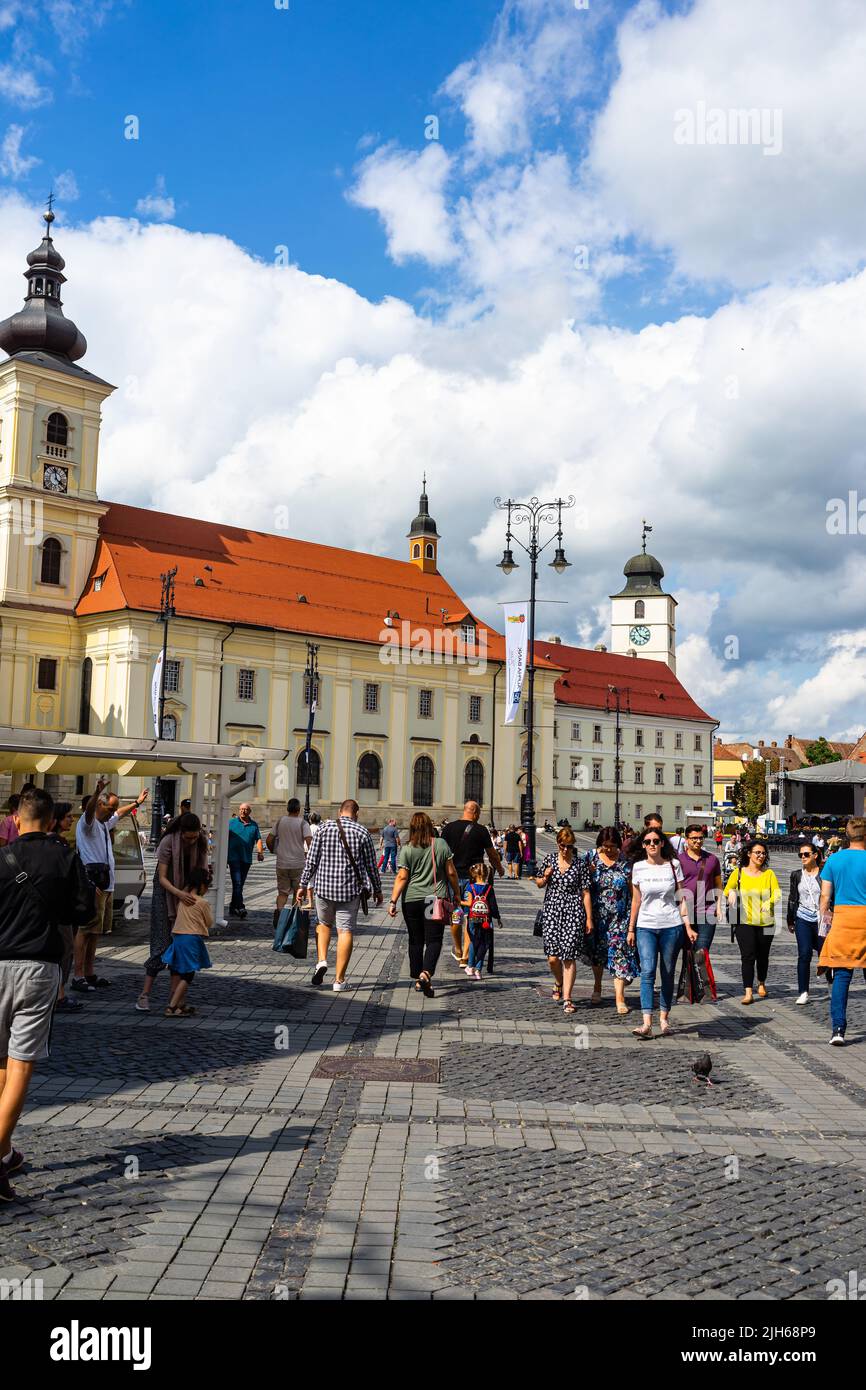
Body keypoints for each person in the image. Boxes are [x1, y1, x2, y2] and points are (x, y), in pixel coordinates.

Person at [0, 787, 94, 1201]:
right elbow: (84, 912)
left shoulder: (1, 857)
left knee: (1, 1062)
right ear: (51, 820)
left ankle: (4, 1152)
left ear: (18, 820)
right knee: (21, 1066)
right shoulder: (65, 857)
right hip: (38, 967)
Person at [73, 778, 148, 994]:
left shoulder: (104, 823)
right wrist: (97, 791)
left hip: (106, 884)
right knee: (84, 930)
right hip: (92, 884)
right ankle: (78, 976)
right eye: (110, 806)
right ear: (99, 805)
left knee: (95, 932)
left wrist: (136, 803)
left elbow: (119, 814)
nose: (113, 811)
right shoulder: (87, 824)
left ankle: (89, 973)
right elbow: (89, 811)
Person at [298, 799, 382, 992]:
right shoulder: (363, 833)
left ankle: (321, 961)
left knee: (324, 925)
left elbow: (311, 860)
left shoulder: (324, 829)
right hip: (349, 891)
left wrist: (303, 884)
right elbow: (371, 866)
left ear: (340, 811)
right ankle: (339, 980)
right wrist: (377, 889)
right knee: (345, 931)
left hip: (324, 889)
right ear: (356, 813)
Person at [137, 812, 209, 1011]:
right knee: (161, 944)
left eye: (195, 837)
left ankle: (174, 999)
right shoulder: (169, 841)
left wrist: (192, 896)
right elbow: (162, 878)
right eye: (189, 837)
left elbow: (202, 873)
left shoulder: (201, 841)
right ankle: (144, 995)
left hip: (186, 892)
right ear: (181, 832)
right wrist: (180, 894)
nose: (192, 840)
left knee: (179, 945)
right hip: (165, 893)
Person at [387, 812, 460, 996]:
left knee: (415, 940)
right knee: (434, 939)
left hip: (411, 900)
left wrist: (392, 901)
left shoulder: (407, 848)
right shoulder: (440, 844)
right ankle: (426, 974)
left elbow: (402, 877)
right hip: (433, 899)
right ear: (429, 826)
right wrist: (457, 892)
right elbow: (451, 872)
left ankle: (418, 978)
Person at [628, 827, 690, 1038]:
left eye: (655, 841)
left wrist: (688, 926)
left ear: (663, 843)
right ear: (643, 845)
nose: (652, 845)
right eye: (647, 842)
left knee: (667, 972)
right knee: (647, 972)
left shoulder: (674, 865)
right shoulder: (638, 867)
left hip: (671, 925)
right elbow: (636, 900)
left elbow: (682, 898)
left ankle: (664, 1017)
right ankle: (646, 1023)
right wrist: (631, 928)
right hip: (645, 925)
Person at [534, 825, 594, 1016]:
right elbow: (538, 882)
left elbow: (586, 892)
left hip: (573, 911)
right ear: (558, 843)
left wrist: (589, 918)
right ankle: (558, 981)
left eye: (569, 846)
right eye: (562, 845)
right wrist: (545, 876)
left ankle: (567, 998)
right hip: (552, 910)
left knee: (568, 956)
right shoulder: (550, 859)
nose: (565, 850)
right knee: (553, 958)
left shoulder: (579, 864)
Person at [819, 817, 866, 1045]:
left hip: (844, 920)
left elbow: (825, 897)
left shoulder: (834, 860)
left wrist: (824, 919)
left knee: (841, 976)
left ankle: (838, 1029)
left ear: (847, 835)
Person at [439, 801, 504, 964]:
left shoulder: (448, 829)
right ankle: (466, 955)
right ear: (475, 812)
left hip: (452, 876)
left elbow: (440, 853)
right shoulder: (481, 830)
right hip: (473, 881)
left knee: (455, 914)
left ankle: (458, 948)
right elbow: (492, 854)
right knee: (470, 916)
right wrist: (500, 868)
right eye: (479, 814)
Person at [583, 827, 637, 1014]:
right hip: (597, 918)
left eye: (613, 846)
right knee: (597, 955)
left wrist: (633, 921)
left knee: (620, 955)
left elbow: (633, 892)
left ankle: (619, 999)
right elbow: (581, 885)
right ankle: (597, 987)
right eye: (605, 846)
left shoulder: (625, 862)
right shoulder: (590, 858)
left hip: (620, 918)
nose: (609, 850)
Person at [723, 840, 781, 1005]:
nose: (761, 856)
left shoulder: (768, 874)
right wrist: (732, 892)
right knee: (747, 956)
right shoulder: (738, 873)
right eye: (757, 852)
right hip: (744, 922)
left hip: (766, 922)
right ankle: (748, 991)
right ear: (749, 853)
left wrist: (768, 903)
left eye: (763, 853)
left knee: (762, 956)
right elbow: (727, 890)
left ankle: (761, 982)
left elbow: (776, 894)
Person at [161, 866, 213, 1017]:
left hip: (177, 938)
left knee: (178, 970)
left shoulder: (182, 900)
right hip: (192, 939)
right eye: (207, 886)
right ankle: (171, 1007)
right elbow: (209, 922)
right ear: (202, 885)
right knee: (188, 974)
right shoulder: (202, 903)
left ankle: (179, 1005)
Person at [678, 824, 722, 991]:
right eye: (694, 838)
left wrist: (718, 905)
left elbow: (718, 884)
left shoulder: (712, 859)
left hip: (707, 911)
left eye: (700, 838)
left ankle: (700, 988)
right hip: (685, 911)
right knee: (687, 950)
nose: (697, 841)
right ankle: (688, 988)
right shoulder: (679, 860)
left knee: (702, 950)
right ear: (687, 839)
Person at [48, 802, 81, 1015]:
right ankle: (58, 994)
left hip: (56, 908)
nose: (71, 819)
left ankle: (57, 992)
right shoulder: (57, 845)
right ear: (57, 820)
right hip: (59, 910)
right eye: (68, 817)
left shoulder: (58, 843)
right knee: (64, 950)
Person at [786, 841, 825, 1005]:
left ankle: (830, 983)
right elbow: (792, 898)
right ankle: (803, 992)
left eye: (806, 854)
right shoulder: (796, 875)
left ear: (815, 855)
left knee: (825, 955)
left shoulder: (824, 873)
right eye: (800, 854)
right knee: (804, 954)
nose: (803, 857)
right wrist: (790, 919)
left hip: (822, 919)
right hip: (803, 917)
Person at [267, 798, 311, 928]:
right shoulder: (303, 823)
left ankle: (280, 915)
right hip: (298, 864)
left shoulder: (280, 821)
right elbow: (310, 842)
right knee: (298, 892)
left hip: (282, 863)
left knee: (282, 893)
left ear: (288, 808)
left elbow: (269, 839)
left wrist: (273, 850)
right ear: (299, 809)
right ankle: (294, 918)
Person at [227, 803, 264, 919]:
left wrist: (260, 852)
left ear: (249, 811)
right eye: (241, 809)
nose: (243, 811)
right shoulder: (231, 823)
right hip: (233, 858)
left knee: (240, 884)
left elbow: (258, 839)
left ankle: (233, 907)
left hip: (246, 858)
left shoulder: (254, 825)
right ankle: (241, 907)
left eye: (245, 809)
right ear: (239, 811)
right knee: (237, 882)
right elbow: (223, 836)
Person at [462, 862, 495, 982]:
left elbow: (469, 903)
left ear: (474, 874)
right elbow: (493, 906)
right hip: (485, 919)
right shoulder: (489, 888)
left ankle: (470, 966)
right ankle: (478, 970)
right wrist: (497, 918)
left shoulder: (470, 887)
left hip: (473, 918)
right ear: (486, 874)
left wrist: (459, 901)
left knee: (473, 941)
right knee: (483, 943)